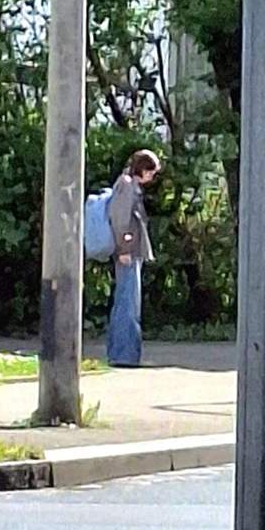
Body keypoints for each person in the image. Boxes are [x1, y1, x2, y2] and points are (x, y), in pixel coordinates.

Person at [103, 148, 161, 369]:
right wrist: (124, 248)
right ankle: (124, 355)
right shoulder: (127, 186)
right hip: (128, 253)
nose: (152, 177)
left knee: (125, 302)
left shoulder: (128, 185)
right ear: (143, 169)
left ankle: (122, 353)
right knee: (127, 303)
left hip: (130, 251)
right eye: (151, 172)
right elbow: (121, 220)